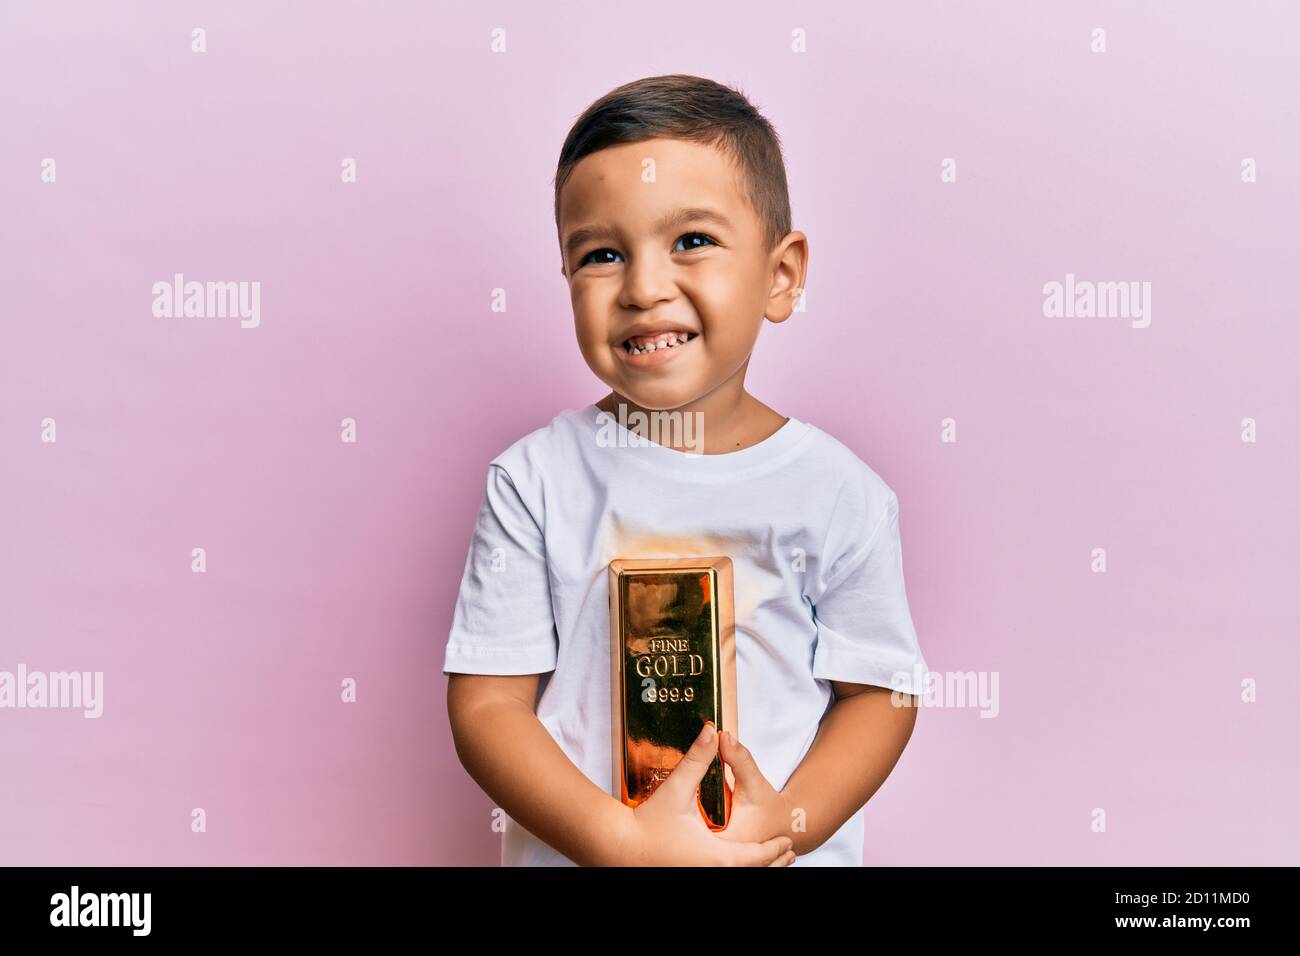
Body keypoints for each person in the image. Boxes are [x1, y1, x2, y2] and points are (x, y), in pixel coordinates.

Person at [443, 74, 930, 866]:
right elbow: (488, 705)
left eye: (692, 241)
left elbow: (881, 696)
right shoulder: (535, 482)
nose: (642, 287)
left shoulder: (841, 494)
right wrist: (621, 842)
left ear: (782, 275)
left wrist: (785, 825)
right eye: (601, 254)